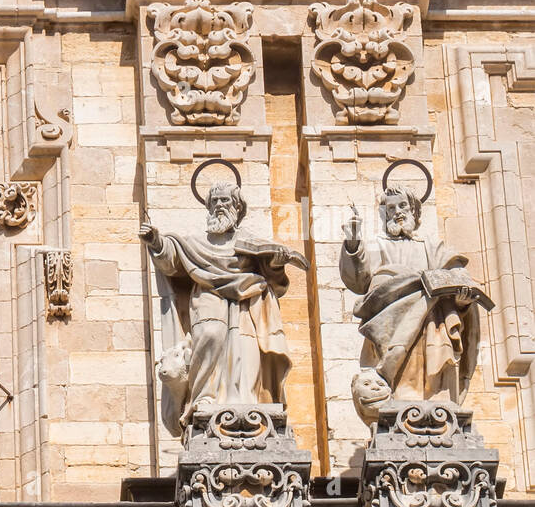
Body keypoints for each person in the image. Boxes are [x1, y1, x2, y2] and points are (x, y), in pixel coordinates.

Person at [140, 183, 302, 435]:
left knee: (245, 350)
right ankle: (203, 398)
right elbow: (171, 259)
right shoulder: (197, 243)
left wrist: (277, 264)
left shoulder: (249, 241)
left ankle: (248, 402)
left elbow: (273, 277)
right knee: (211, 336)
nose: (219, 206)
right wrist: (156, 242)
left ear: (237, 207)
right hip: (208, 298)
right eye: (214, 201)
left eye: (225, 201)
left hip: (246, 304)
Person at [341, 185, 487, 422]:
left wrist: (461, 301)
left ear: (414, 211)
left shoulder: (432, 248)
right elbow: (358, 280)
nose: (397, 212)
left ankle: (435, 406)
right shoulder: (378, 246)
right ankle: (402, 406)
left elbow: (459, 276)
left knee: (431, 358)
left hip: (432, 320)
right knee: (400, 369)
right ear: (384, 214)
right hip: (388, 316)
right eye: (390, 208)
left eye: (402, 206)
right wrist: (352, 245)